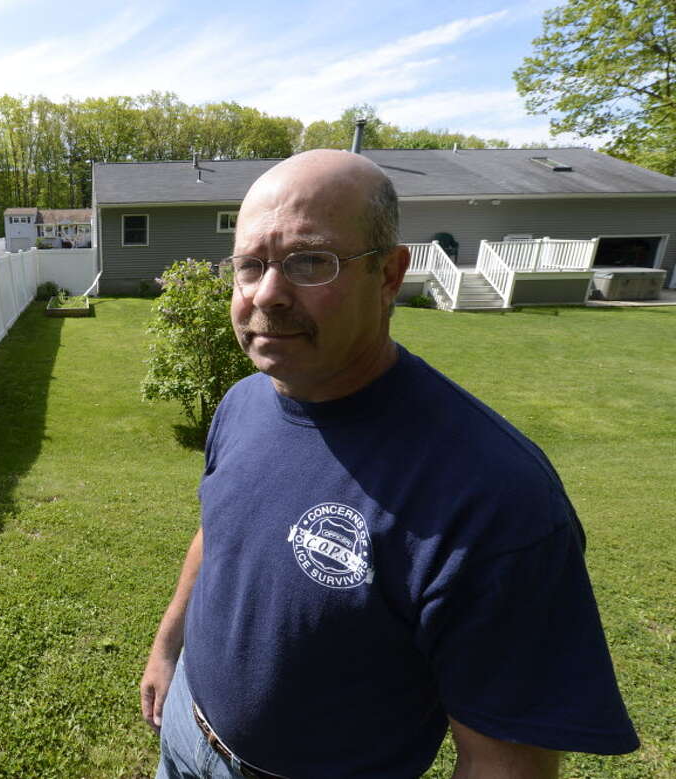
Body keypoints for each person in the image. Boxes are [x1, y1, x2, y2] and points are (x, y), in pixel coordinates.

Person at [139, 149, 638, 779]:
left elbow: (505, 764)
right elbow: (218, 533)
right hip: (186, 732)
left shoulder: (494, 496)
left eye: (310, 262)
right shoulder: (242, 404)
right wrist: (167, 650)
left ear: (388, 274)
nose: (268, 293)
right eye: (251, 265)